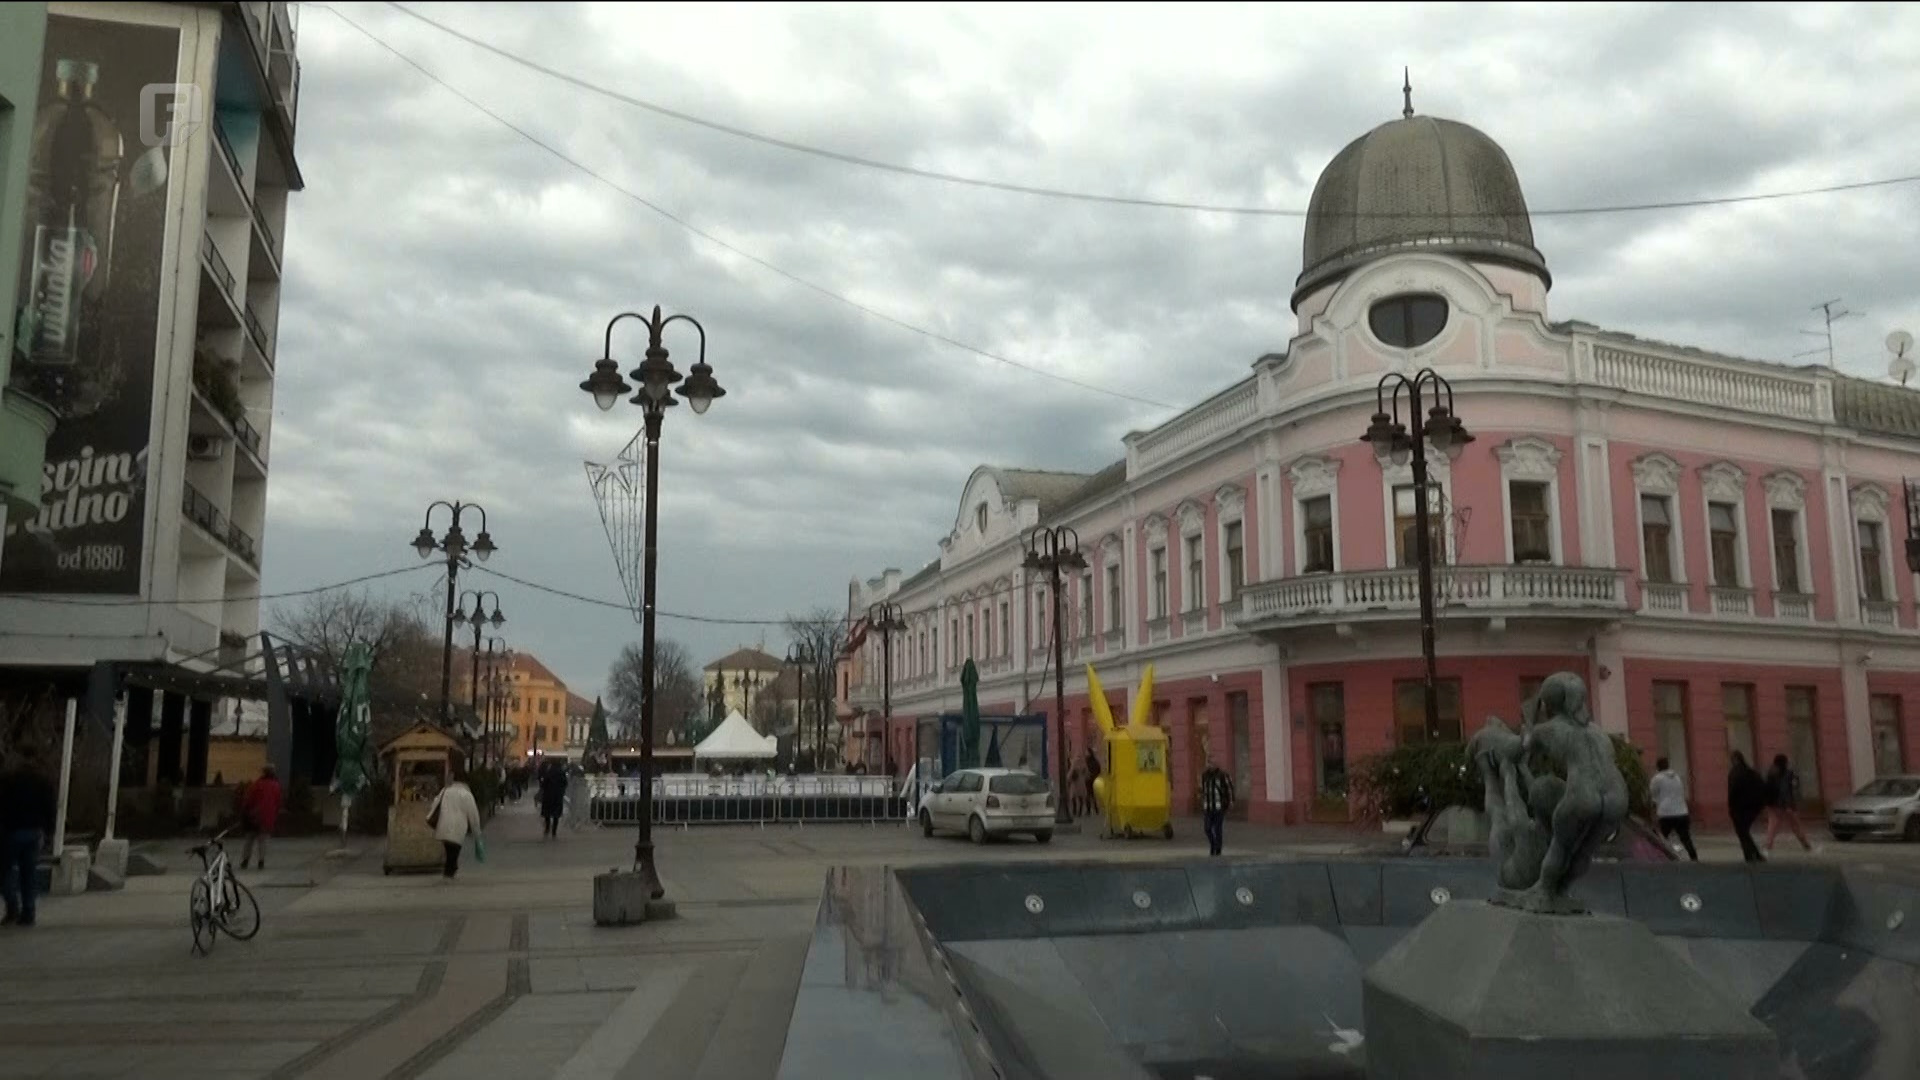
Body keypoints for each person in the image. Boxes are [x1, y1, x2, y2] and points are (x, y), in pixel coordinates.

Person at [0, 747, 55, 927]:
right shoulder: (42, 781)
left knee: (4, 871)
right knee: (29, 874)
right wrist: (48, 832)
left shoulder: (9, 780)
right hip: (34, 832)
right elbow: (50, 808)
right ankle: (28, 912)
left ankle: (12, 906)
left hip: (13, 831)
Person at [429, 769, 484, 879]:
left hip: (443, 824)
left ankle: (451, 869)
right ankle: (450, 871)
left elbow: (435, 804)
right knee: (454, 849)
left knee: (449, 849)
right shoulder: (467, 795)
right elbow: (473, 815)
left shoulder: (445, 791)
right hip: (458, 827)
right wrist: (477, 833)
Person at [1648, 757, 1698, 861]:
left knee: (1662, 838)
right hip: (1682, 812)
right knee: (1685, 838)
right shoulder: (1677, 777)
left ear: (1658, 767)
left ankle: (1659, 858)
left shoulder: (1657, 778)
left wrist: (1652, 810)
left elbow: (1652, 794)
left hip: (1666, 813)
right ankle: (1694, 857)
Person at [1764, 753, 1815, 853]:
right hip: (1787, 804)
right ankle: (1806, 845)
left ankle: (1768, 846)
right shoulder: (1788, 774)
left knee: (1772, 826)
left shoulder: (1771, 773)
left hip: (1773, 804)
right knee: (1795, 826)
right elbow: (1786, 790)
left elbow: (1767, 789)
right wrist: (1789, 805)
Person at [1727, 751, 1769, 864]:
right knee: (1744, 831)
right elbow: (1762, 786)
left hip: (1739, 808)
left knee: (1742, 832)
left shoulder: (1734, 773)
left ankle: (1749, 856)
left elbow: (1732, 792)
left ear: (1735, 760)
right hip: (1753, 808)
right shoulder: (1751, 772)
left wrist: (1731, 807)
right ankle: (1755, 855)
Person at [239, 764, 283, 871]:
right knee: (263, 841)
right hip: (268, 817)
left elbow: (249, 799)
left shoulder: (257, 784)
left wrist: (245, 811)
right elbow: (278, 802)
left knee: (249, 839)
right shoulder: (276, 786)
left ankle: (245, 860)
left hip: (254, 816)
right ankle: (261, 861)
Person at [1199, 757, 1235, 857]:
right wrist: (1202, 798)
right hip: (1208, 806)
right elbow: (1203, 788)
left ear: (1217, 764)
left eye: (1213, 763)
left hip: (1219, 806)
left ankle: (1217, 849)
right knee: (1207, 828)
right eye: (1209, 763)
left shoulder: (1223, 775)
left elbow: (1229, 788)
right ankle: (1213, 844)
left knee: (1218, 828)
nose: (1211, 765)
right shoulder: (1204, 775)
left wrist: (1231, 801)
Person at [538, 760, 567, 839]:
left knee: (547, 813)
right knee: (556, 814)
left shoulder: (548, 773)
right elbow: (565, 783)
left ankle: (547, 828)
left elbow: (544, 784)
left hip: (548, 795)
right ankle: (554, 831)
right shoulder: (562, 773)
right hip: (558, 796)